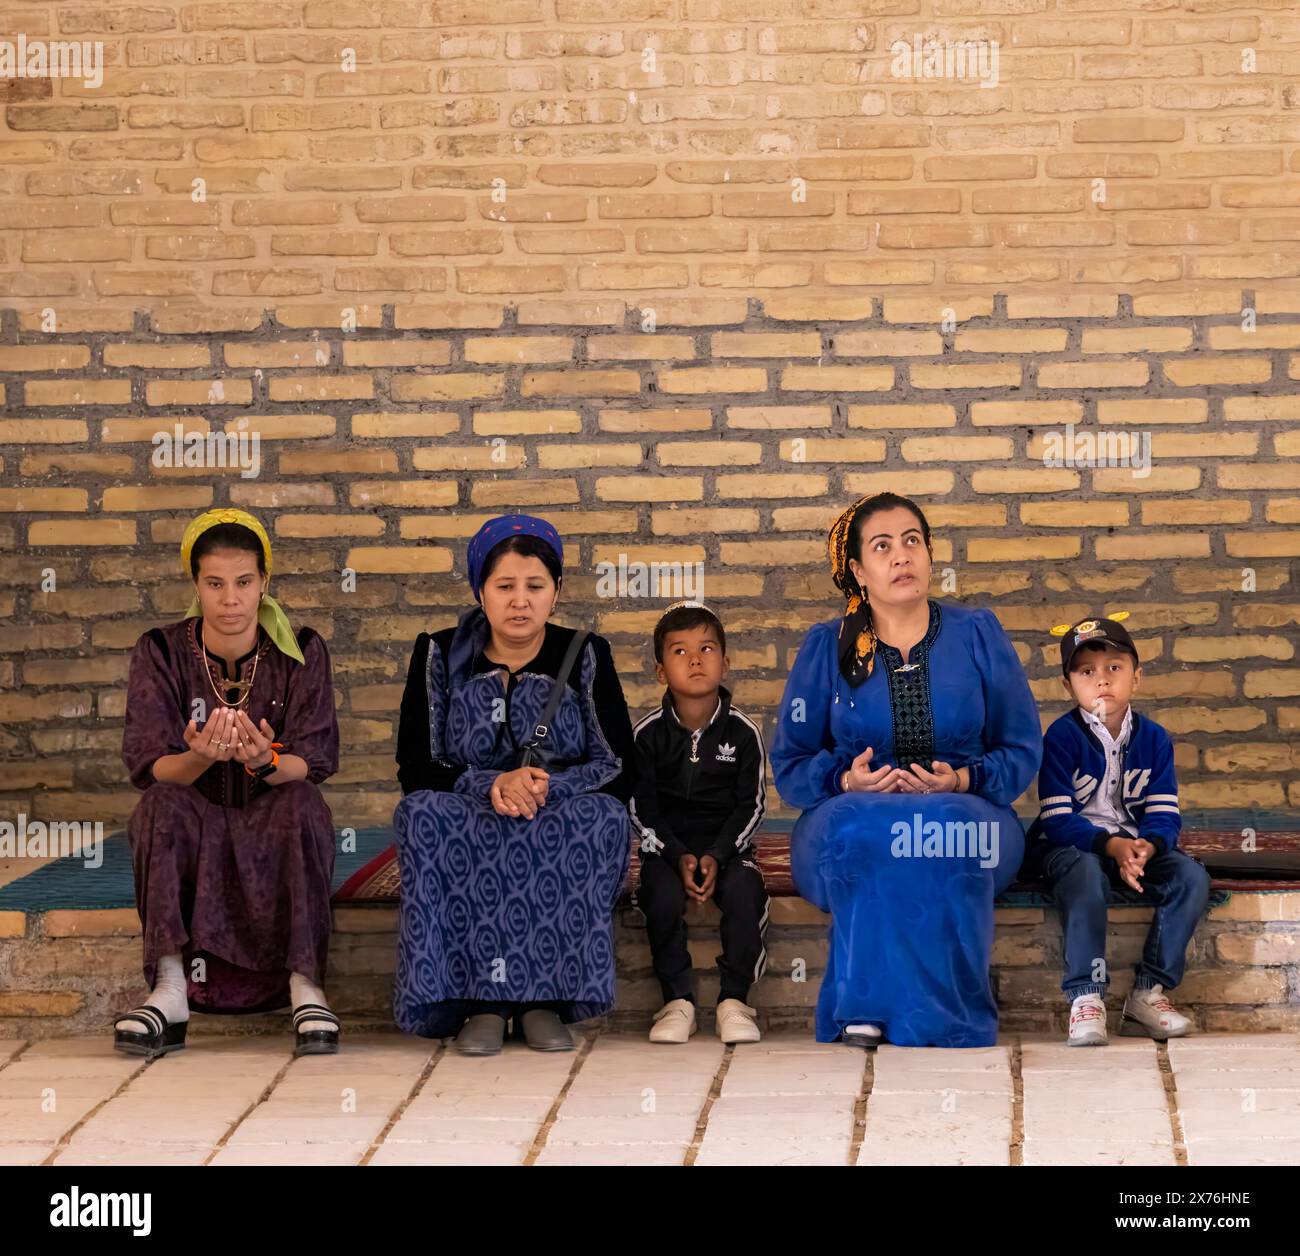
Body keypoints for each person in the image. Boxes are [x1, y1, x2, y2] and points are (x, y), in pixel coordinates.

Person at [769, 492, 1042, 1049]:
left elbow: (1020, 747)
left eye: (913, 541)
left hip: (970, 810)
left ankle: (943, 1017)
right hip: (849, 816)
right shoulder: (827, 647)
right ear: (857, 571)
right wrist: (848, 781)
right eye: (883, 546)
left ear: (930, 555)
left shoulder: (977, 633)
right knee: (873, 831)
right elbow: (791, 764)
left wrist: (963, 780)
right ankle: (865, 1009)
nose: (902, 557)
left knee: (941, 830)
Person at [393, 514, 635, 1056]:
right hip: (470, 806)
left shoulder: (585, 654)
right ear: (480, 590)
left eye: (535, 587)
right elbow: (416, 766)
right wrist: (490, 784)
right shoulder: (438, 652)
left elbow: (619, 763)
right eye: (504, 587)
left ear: (556, 593)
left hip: (555, 805)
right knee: (423, 815)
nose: (519, 601)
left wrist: (549, 788)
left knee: (601, 818)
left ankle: (542, 1001)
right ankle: (478, 1001)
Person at [115, 508, 341, 1059]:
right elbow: (150, 766)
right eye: (215, 584)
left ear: (265, 582)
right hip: (192, 813)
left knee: (304, 804)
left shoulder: (302, 650)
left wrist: (264, 760)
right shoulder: (162, 651)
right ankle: (170, 992)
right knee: (158, 807)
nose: (231, 599)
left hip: (269, 811)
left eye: (244, 583)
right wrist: (197, 757)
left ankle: (306, 988)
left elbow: (311, 760)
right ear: (195, 584)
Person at [1022, 614, 1210, 1045]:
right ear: (1068, 686)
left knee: (1191, 877)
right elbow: (1056, 817)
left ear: (1137, 677)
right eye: (1086, 672)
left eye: (1114, 668)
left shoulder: (1155, 739)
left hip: (1132, 846)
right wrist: (1111, 846)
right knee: (1085, 874)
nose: (1102, 680)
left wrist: (1147, 846)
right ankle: (1086, 997)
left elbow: (1164, 811)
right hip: (1075, 847)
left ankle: (1149, 992)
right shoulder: (1062, 737)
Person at [630, 601, 769, 1045]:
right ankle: (677, 1000)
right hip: (666, 851)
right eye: (680, 651)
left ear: (725, 664)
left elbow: (751, 807)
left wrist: (717, 854)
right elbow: (640, 807)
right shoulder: (647, 735)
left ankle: (735, 1000)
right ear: (659, 671)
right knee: (660, 895)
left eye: (707, 649)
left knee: (746, 892)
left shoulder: (744, 733)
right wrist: (677, 854)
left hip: (728, 850)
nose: (695, 660)